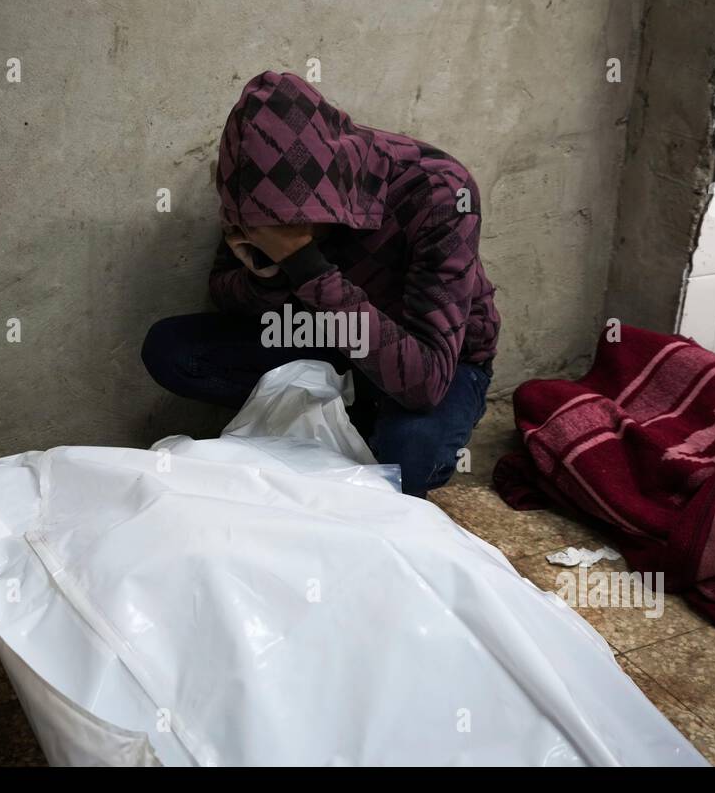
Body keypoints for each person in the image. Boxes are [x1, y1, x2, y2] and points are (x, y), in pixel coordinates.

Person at [142, 70, 500, 496]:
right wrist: (267, 269)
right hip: (323, 340)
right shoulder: (256, 187)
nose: (277, 229)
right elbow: (226, 297)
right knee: (172, 349)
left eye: (292, 222)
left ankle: (355, 424)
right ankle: (347, 418)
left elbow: (426, 382)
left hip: (436, 360)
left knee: (408, 458)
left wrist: (304, 262)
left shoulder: (440, 192)